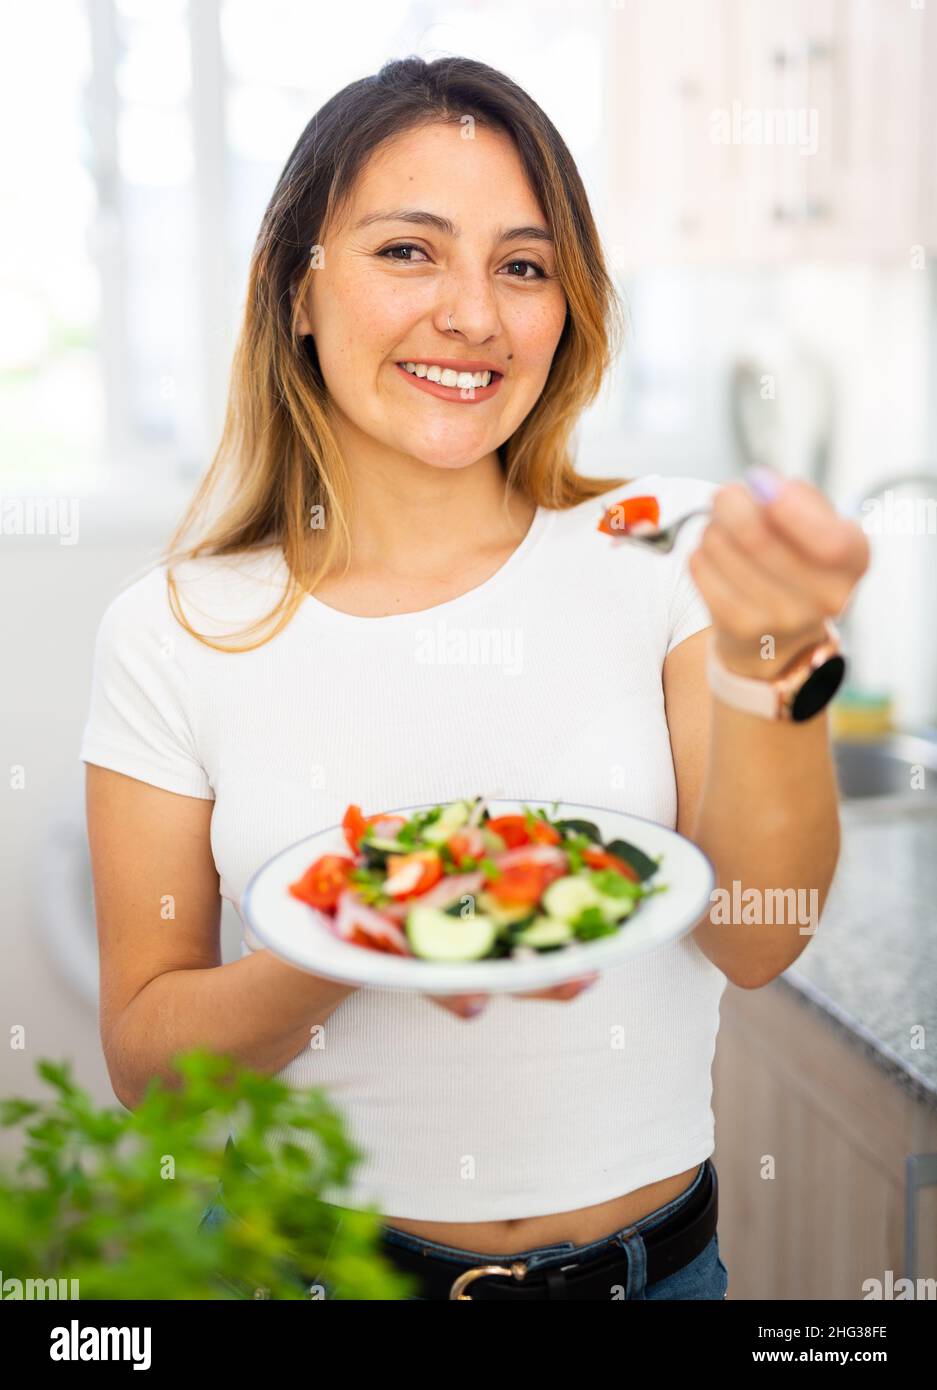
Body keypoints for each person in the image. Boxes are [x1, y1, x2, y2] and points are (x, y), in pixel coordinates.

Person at [80, 56, 869, 1301]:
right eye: (408, 251)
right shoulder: (174, 626)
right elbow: (148, 1062)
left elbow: (756, 934)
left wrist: (768, 654)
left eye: (523, 264)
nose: (474, 316)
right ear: (300, 288)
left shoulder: (666, 545)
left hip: (650, 1280)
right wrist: (364, 927)